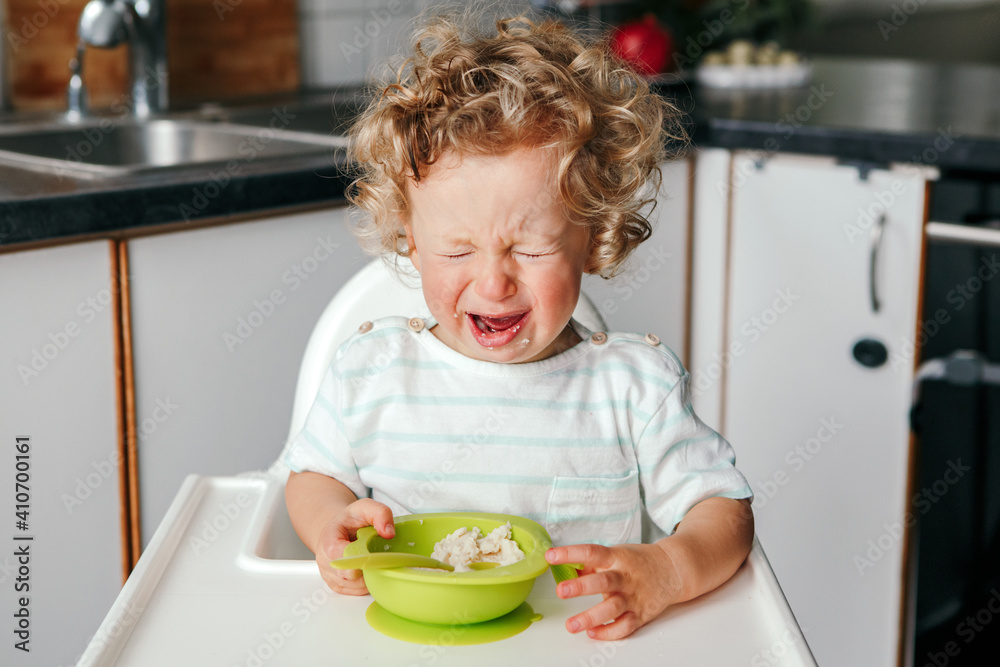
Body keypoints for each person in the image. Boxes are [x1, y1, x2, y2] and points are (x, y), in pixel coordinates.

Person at [284, 10, 753, 641]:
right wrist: (330, 525)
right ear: (410, 241)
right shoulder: (370, 373)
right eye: (456, 251)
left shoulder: (634, 388)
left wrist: (667, 570)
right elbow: (313, 477)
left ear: (593, 238)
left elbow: (723, 513)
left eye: (530, 250)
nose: (495, 283)